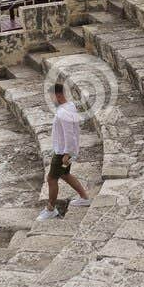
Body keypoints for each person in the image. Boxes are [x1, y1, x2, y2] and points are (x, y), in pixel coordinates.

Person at [38, 81, 90, 220]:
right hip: (66, 151)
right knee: (65, 174)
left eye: (52, 96)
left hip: (62, 153)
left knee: (51, 178)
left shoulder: (63, 112)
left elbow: (69, 134)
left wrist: (67, 153)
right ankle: (84, 198)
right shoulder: (69, 106)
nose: (51, 100)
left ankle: (51, 209)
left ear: (59, 95)